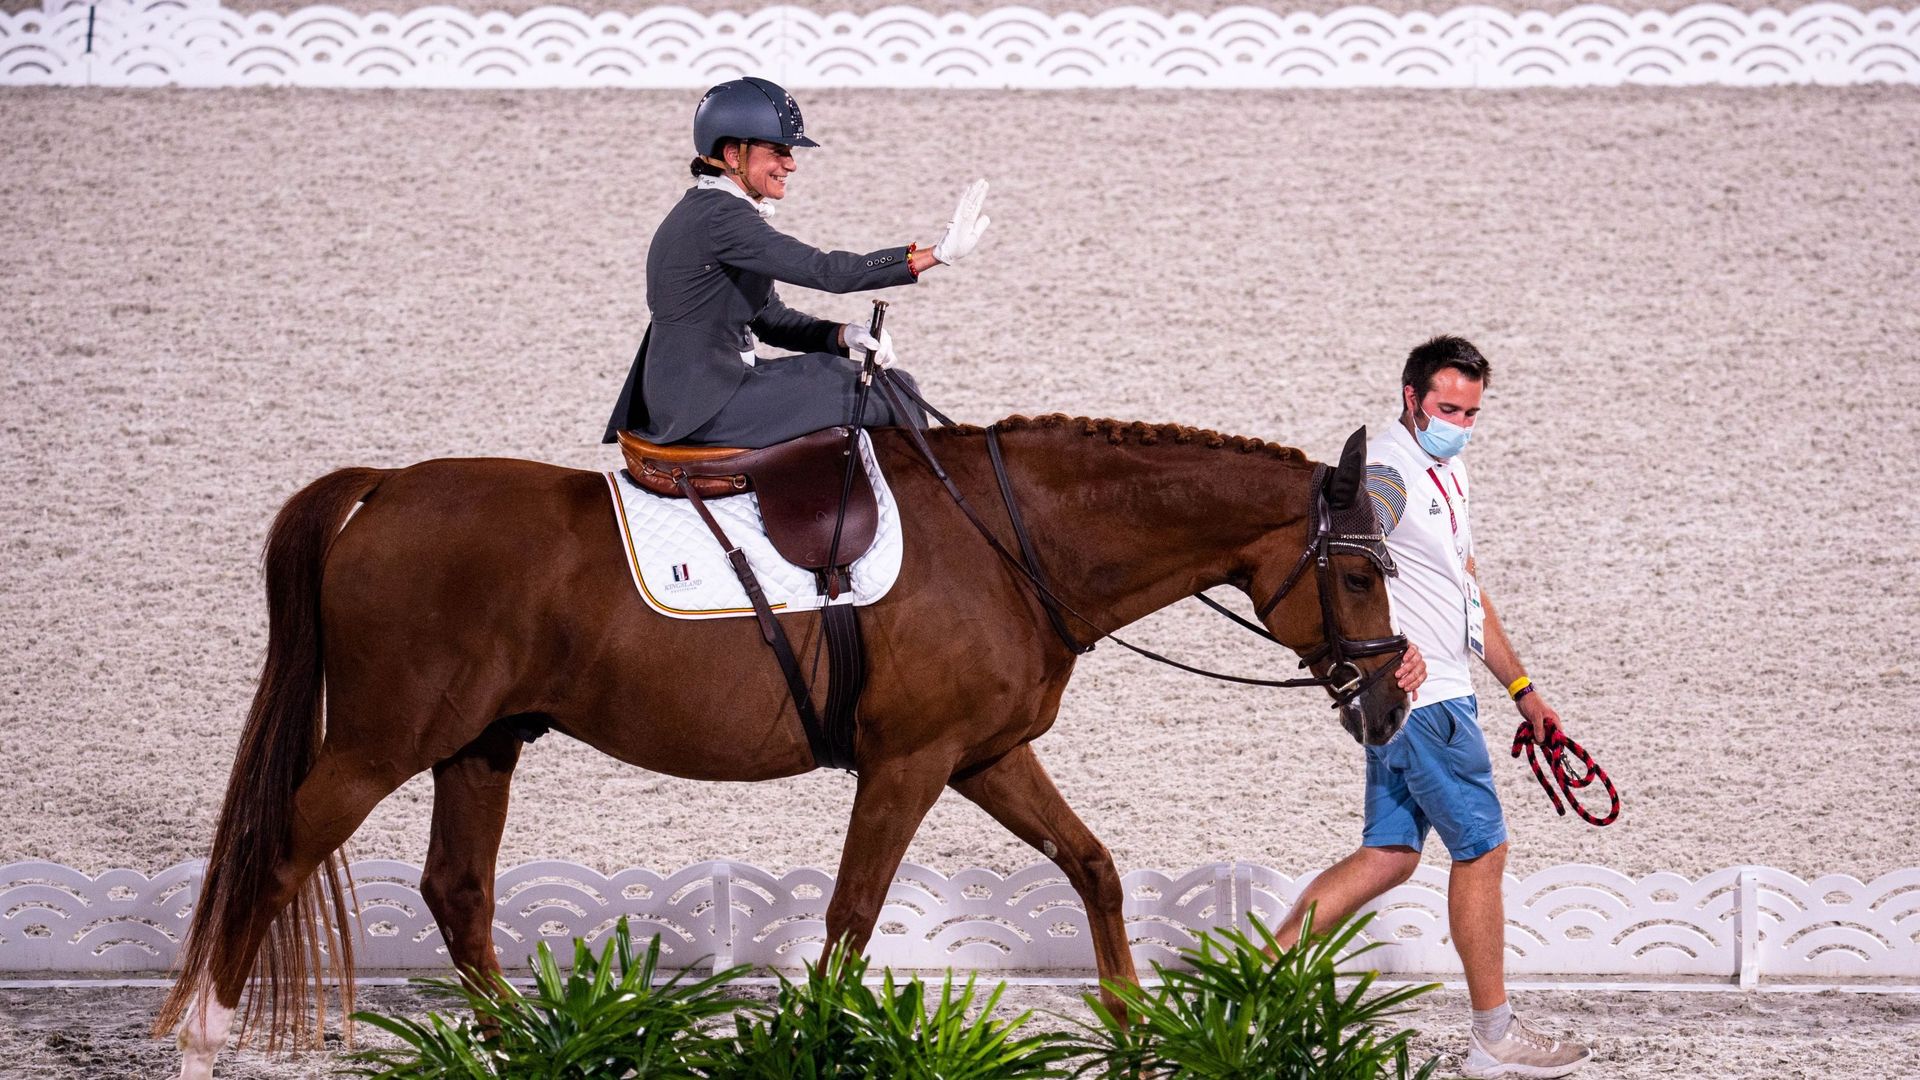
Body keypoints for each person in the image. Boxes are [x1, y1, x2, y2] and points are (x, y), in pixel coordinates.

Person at [1273, 336, 1592, 1079]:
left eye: (1471, 413)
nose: (1460, 424)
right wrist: (1392, 653)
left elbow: (1465, 585)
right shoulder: (1386, 474)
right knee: (1483, 850)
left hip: (1444, 690)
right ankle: (1494, 1038)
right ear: (1411, 397)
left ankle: (1251, 982)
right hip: (1427, 701)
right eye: (1448, 409)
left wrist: (1522, 689)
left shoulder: (1449, 470)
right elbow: (1341, 561)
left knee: (1388, 855)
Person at [603, 76, 990, 448]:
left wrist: (844, 335)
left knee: (889, 382)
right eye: (779, 151)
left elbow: (769, 318)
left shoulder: (711, 209)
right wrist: (933, 255)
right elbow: (827, 271)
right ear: (734, 155)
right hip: (704, 401)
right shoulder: (723, 217)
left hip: (707, 383)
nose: (791, 165)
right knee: (890, 394)